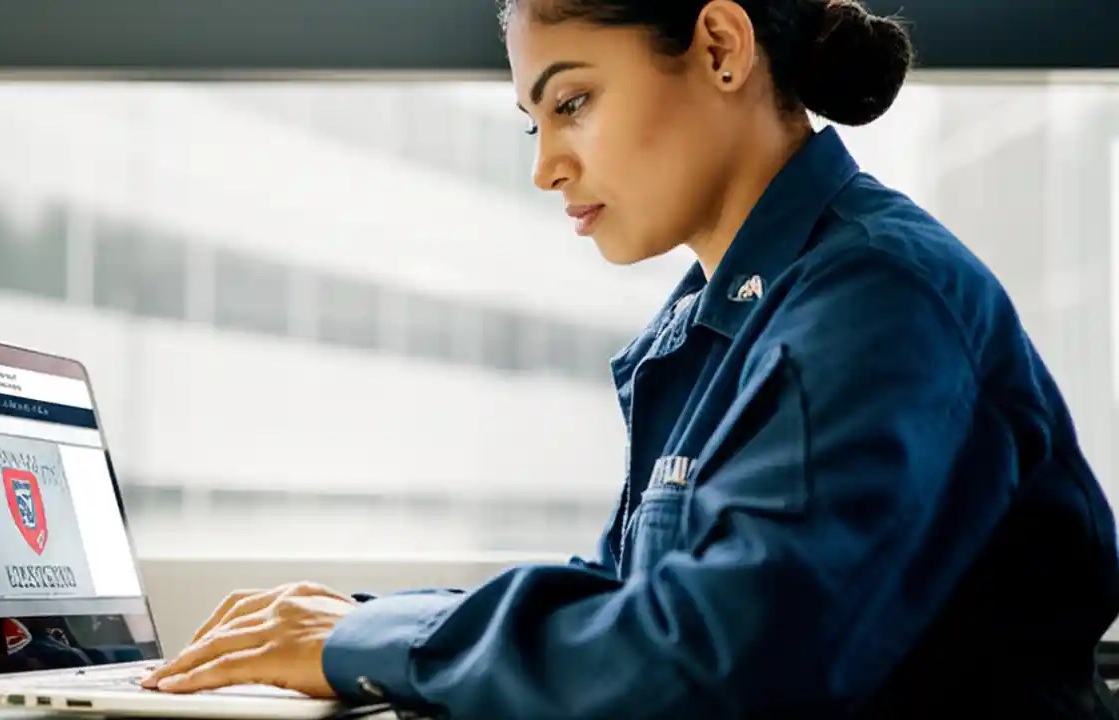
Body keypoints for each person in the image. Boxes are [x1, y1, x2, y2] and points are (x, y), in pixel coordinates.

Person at [142, 0, 1119, 716]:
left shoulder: (870, 299)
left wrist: (369, 642)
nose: (543, 166)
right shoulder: (724, 313)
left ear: (720, 48)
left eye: (570, 102)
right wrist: (363, 620)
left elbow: (715, 661)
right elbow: (633, 605)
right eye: (535, 122)